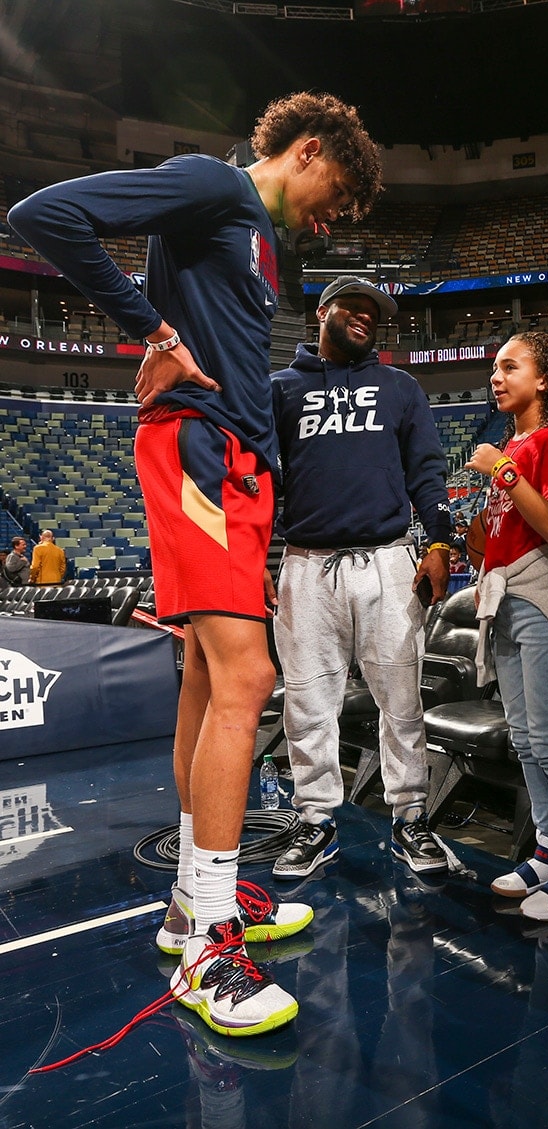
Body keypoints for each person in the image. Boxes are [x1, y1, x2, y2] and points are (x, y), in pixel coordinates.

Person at [9, 92, 384, 1037]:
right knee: (250, 675)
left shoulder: (257, 240)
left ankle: (193, 900)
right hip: (198, 454)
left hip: (240, 468)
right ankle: (212, 938)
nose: (334, 217)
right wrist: (156, 332)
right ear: (307, 151)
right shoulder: (215, 185)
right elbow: (46, 216)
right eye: (338, 193)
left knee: (207, 679)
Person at [268, 276, 451, 880]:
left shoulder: (400, 387)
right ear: (322, 312)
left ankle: (410, 818)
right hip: (306, 563)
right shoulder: (281, 390)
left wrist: (441, 539)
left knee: (401, 702)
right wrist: (257, 563)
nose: (366, 318)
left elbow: (425, 469)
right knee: (307, 703)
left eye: (376, 312)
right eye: (353, 307)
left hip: (388, 558)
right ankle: (315, 820)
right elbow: (264, 482)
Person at [465, 331, 548, 922]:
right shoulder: (512, 443)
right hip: (504, 602)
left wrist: (501, 473)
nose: (496, 377)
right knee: (523, 738)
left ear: (543, 379)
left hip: (541, 603)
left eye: (509, 367)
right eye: (494, 369)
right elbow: (495, 538)